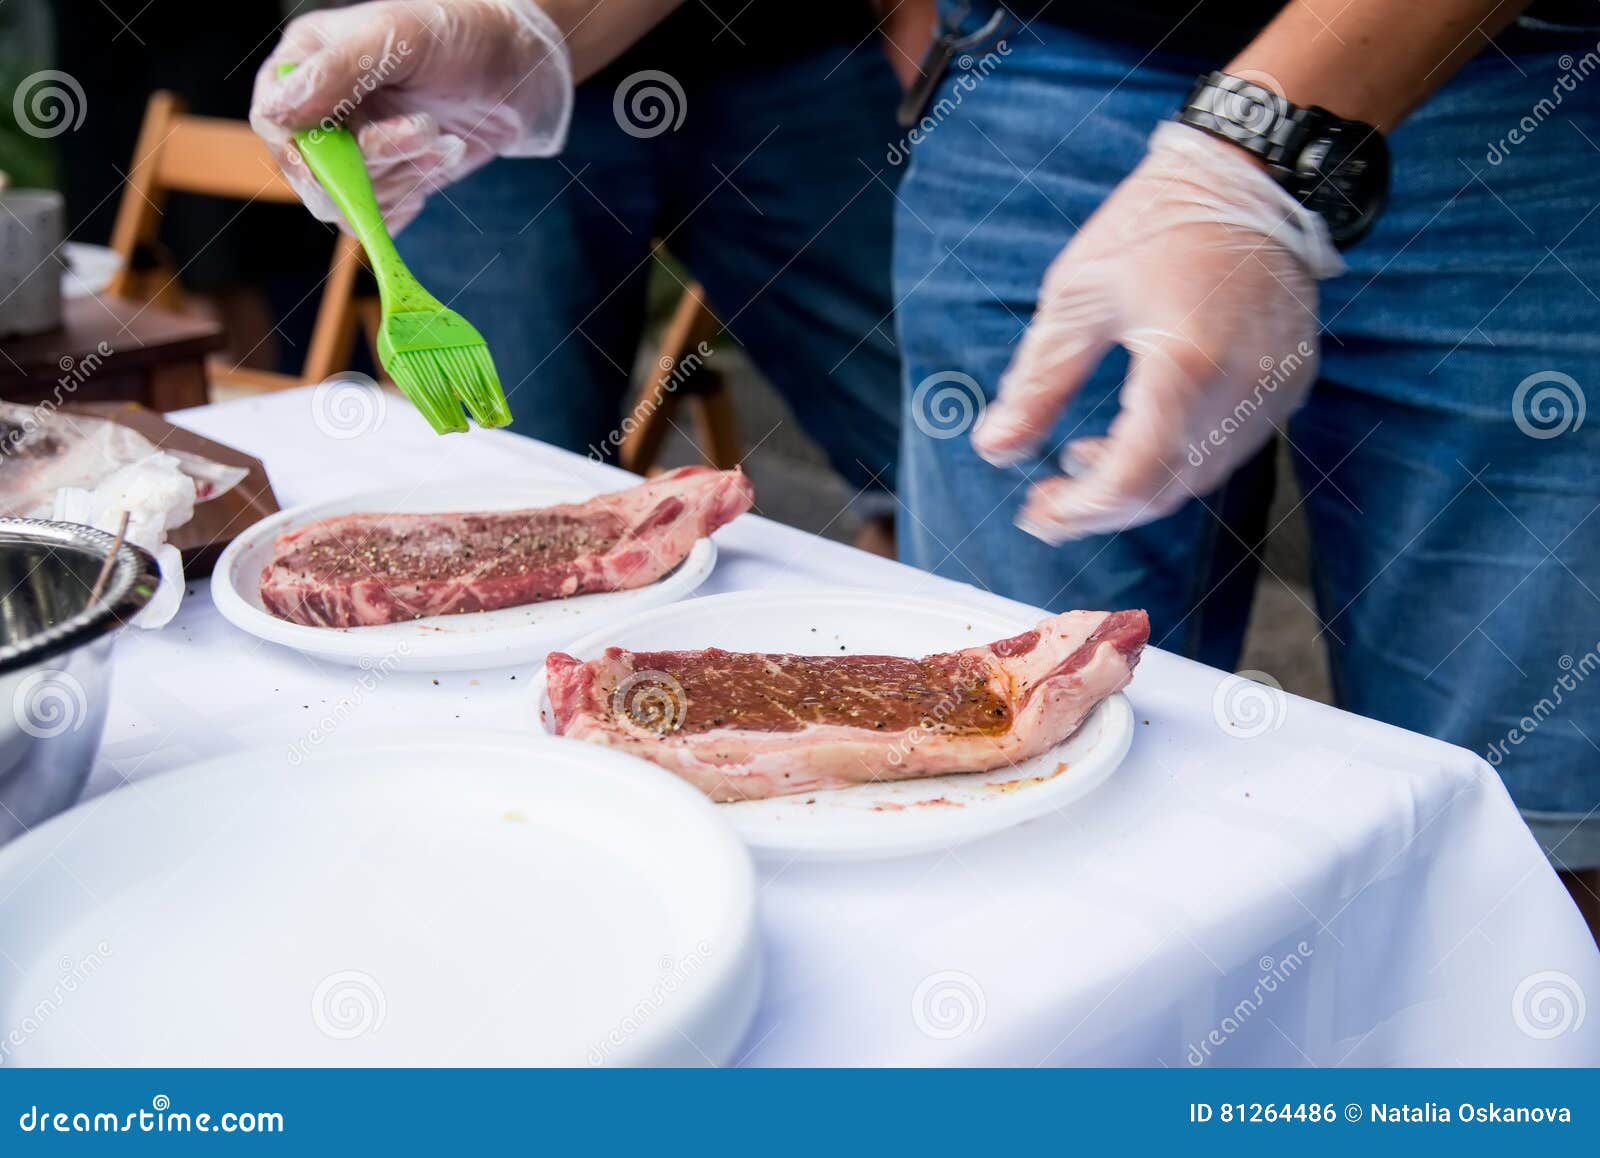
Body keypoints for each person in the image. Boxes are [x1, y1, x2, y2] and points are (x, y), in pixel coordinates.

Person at [251, 0, 1600, 934]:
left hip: (1514, 100)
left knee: (1528, 831)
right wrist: (531, 27)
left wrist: (1253, 153)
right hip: (1045, 85)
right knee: (1003, 799)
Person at [259, 0, 916, 548]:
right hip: (447, 80)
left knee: (935, 450)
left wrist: (515, 28)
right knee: (529, 512)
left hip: (775, 46)